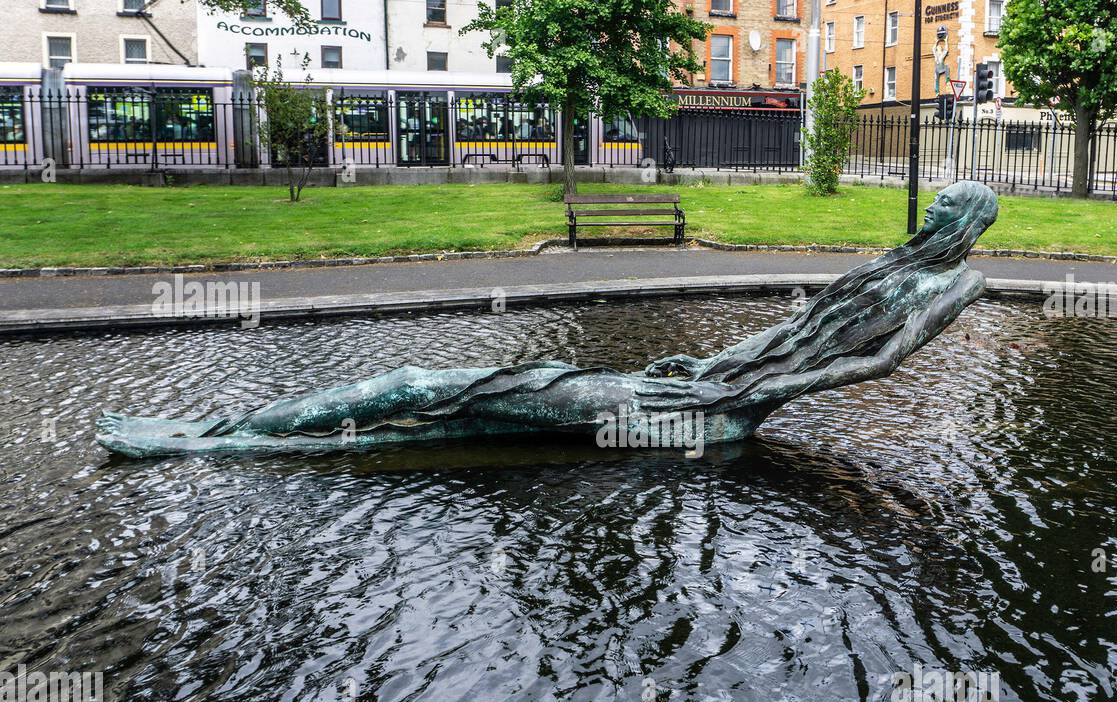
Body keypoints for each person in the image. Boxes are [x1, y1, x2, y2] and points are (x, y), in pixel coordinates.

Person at [97, 182, 1000, 457]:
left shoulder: (951, 288)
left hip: (704, 417)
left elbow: (862, 369)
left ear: (970, 225)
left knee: (432, 396)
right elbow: (793, 332)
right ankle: (214, 438)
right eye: (934, 210)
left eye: (947, 213)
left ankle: (205, 442)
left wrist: (739, 395)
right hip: (704, 393)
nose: (930, 222)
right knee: (437, 422)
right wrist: (713, 363)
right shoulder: (897, 264)